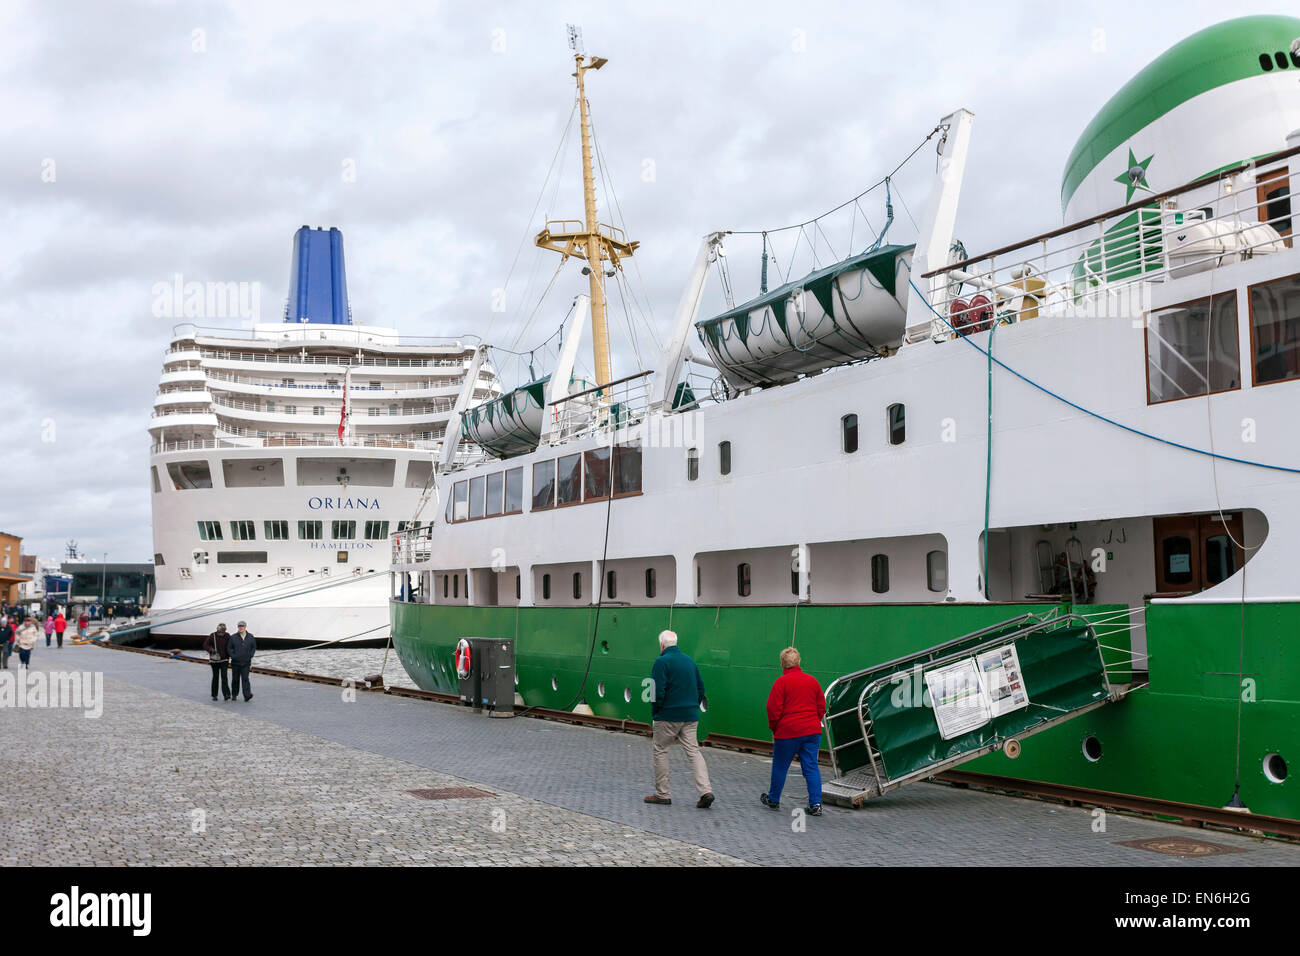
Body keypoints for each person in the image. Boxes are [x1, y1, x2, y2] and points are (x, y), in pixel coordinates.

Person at [644, 629, 714, 809]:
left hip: (667, 716)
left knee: (660, 750)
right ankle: (706, 791)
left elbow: (655, 692)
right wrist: (692, 706)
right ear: (675, 642)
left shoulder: (661, 662)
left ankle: (662, 794)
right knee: (693, 752)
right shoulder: (689, 661)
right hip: (690, 716)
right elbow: (701, 688)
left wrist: (656, 712)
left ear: (661, 645)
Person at [761, 647, 826, 816]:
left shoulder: (781, 683)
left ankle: (774, 799)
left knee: (780, 766)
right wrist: (813, 721)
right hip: (812, 731)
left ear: (782, 664)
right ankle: (816, 804)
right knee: (811, 767)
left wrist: (775, 728)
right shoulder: (812, 681)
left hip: (788, 732)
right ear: (799, 662)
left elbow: (773, 708)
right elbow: (821, 706)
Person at [227, 621, 256, 702]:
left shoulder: (250, 637)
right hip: (236, 662)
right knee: (235, 679)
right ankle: (234, 695)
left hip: (246, 662)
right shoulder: (233, 637)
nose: (241, 627)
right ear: (237, 627)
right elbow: (229, 648)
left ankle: (247, 695)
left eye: (242, 626)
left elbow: (253, 647)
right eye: (239, 626)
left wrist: (251, 655)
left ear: (245, 627)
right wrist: (233, 656)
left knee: (245, 679)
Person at [203, 623, 231, 701]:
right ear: (217, 630)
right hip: (214, 661)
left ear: (224, 630)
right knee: (215, 677)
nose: (221, 633)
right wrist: (211, 650)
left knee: (224, 677)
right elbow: (205, 645)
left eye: (222, 632)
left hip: (224, 660)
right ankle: (214, 695)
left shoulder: (227, 636)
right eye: (219, 632)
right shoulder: (213, 635)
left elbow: (231, 646)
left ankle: (226, 694)